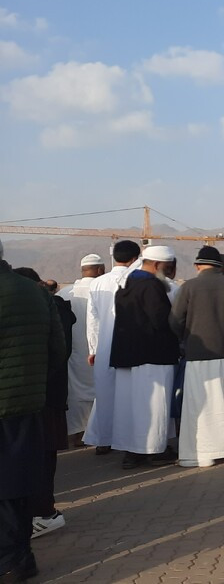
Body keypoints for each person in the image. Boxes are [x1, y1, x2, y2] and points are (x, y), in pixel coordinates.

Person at [0, 240, 65, 583]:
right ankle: (19, 559)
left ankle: (11, 562)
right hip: (27, 403)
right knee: (20, 483)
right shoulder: (36, 292)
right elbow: (57, 351)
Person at [170, 246, 224, 468]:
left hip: (197, 356)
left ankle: (202, 454)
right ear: (220, 266)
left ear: (197, 265)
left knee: (199, 406)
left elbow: (174, 321)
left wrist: (186, 337)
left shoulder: (188, 287)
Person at [14, 269, 72, 541]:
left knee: (39, 459)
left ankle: (45, 514)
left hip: (38, 397)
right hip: (45, 395)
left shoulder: (48, 307)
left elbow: (58, 352)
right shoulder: (52, 306)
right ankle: (42, 512)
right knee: (42, 458)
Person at [109, 246, 180, 469]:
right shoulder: (151, 286)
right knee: (155, 404)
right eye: (167, 268)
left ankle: (133, 450)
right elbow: (160, 320)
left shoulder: (126, 285)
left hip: (128, 353)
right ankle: (152, 450)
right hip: (153, 355)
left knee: (132, 406)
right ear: (158, 265)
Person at [83, 240, 140, 455]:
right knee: (131, 394)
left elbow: (93, 319)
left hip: (104, 346)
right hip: (130, 345)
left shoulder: (97, 283)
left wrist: (93, 348)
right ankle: (129, 442)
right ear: (135, 258)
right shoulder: (134, 279)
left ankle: (104, 440)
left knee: (105, 396)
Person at [60, 254, 104, 446]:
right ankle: (99, 434)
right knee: (102, 390)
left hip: (74, 354)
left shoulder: (65, 293)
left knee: (76, 392)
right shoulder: (106, 291)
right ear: (101, 270)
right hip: (100, 352)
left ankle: (77, 435)